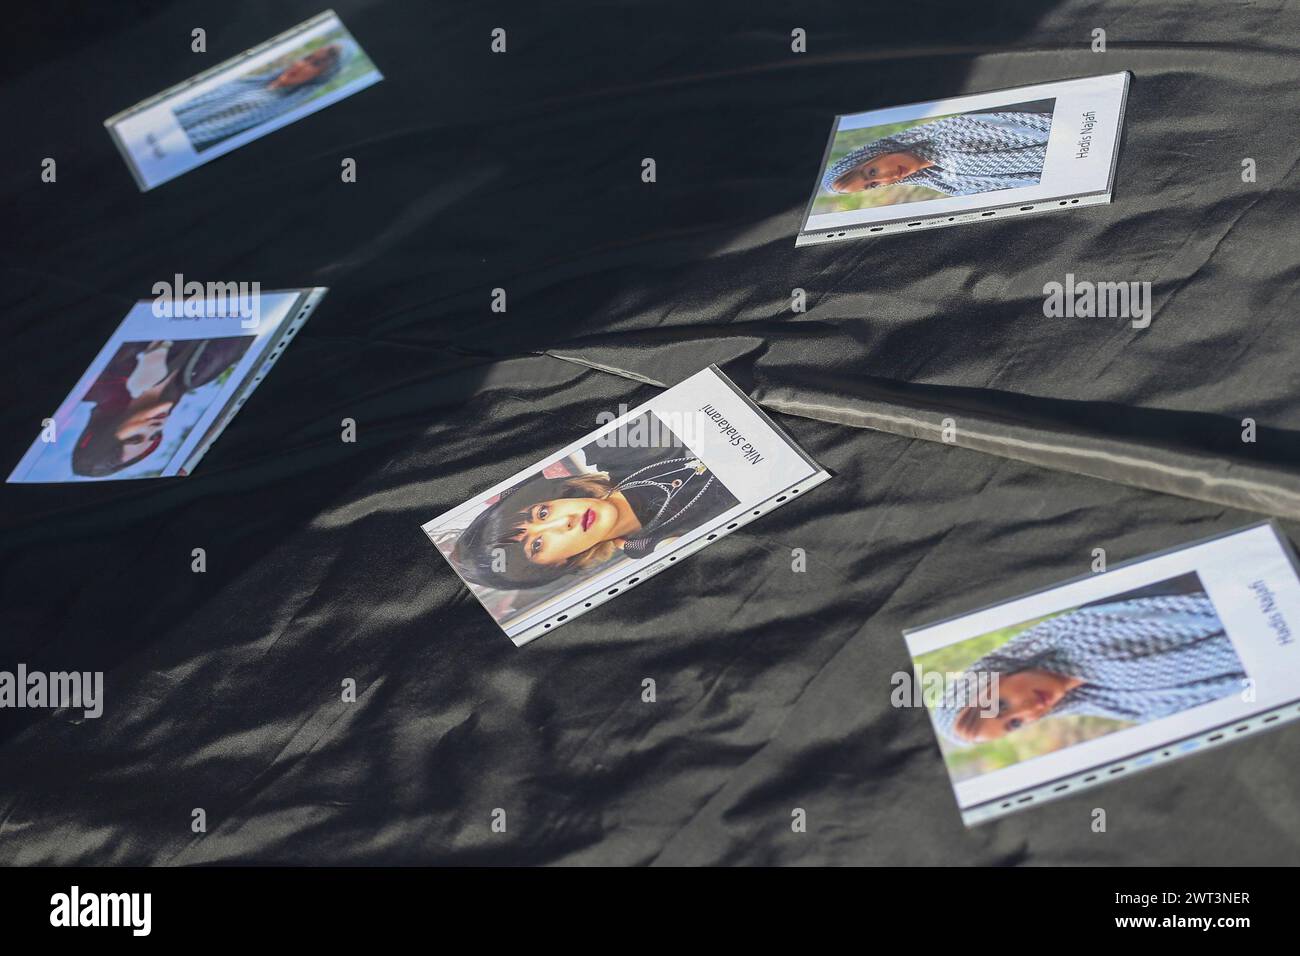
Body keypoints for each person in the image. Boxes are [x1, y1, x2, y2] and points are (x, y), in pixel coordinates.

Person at [931, 576, 1247, 746]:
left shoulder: (1100, 615)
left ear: (991, 677)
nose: (1028, 711)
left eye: (1001, 704)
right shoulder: (1113, 705)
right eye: (1014, 724)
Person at [451, 418, 739, 591]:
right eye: (537, 545)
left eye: (542, 513)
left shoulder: (611, 445)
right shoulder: (657, 549)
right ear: (557, 565)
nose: (563, 522)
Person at [71, 337, 251, 477]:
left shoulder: (101, 376)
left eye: (135, 437)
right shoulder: (200, 377)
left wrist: (156, 347)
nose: (155, 429)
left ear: (107, 429)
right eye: (154, 436)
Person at [172, 39, 356, 151]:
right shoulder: (253, 81)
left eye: (315, 65)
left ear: (322, 77)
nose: (300, 65)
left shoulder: (273, 107)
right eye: (307, 58)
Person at [822, 109, 1053, 197]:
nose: (886, 178)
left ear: (876, 153)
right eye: (873, 184)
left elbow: (1040, 128)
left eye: (872, 171)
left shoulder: (952, 131)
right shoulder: (943, 183)